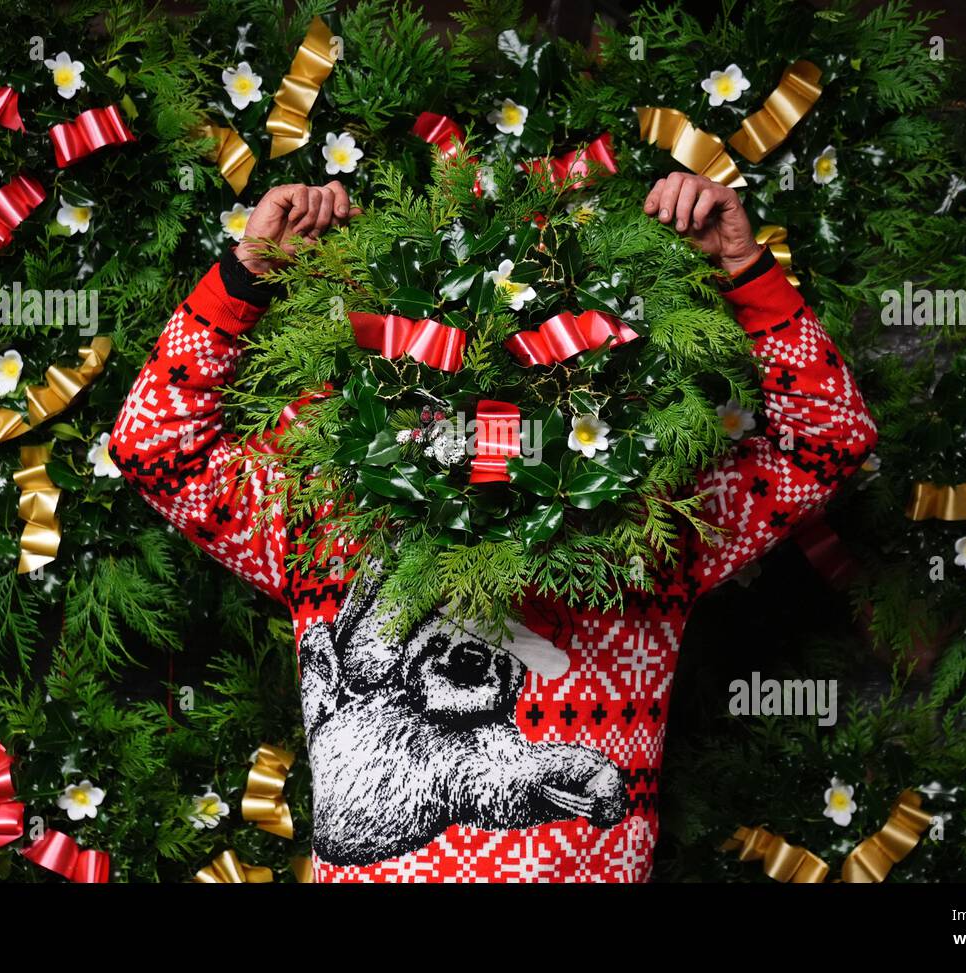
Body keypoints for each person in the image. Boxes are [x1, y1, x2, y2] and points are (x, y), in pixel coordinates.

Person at [108, 173, 878, 882]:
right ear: (396, 375)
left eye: (541, 368)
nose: (496, 409)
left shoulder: (646, 524)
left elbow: (833, 435)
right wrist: (247, 272)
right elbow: (152, 446)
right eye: (451, 365)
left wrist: (745, 269)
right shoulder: (331, 513)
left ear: (597, 387)